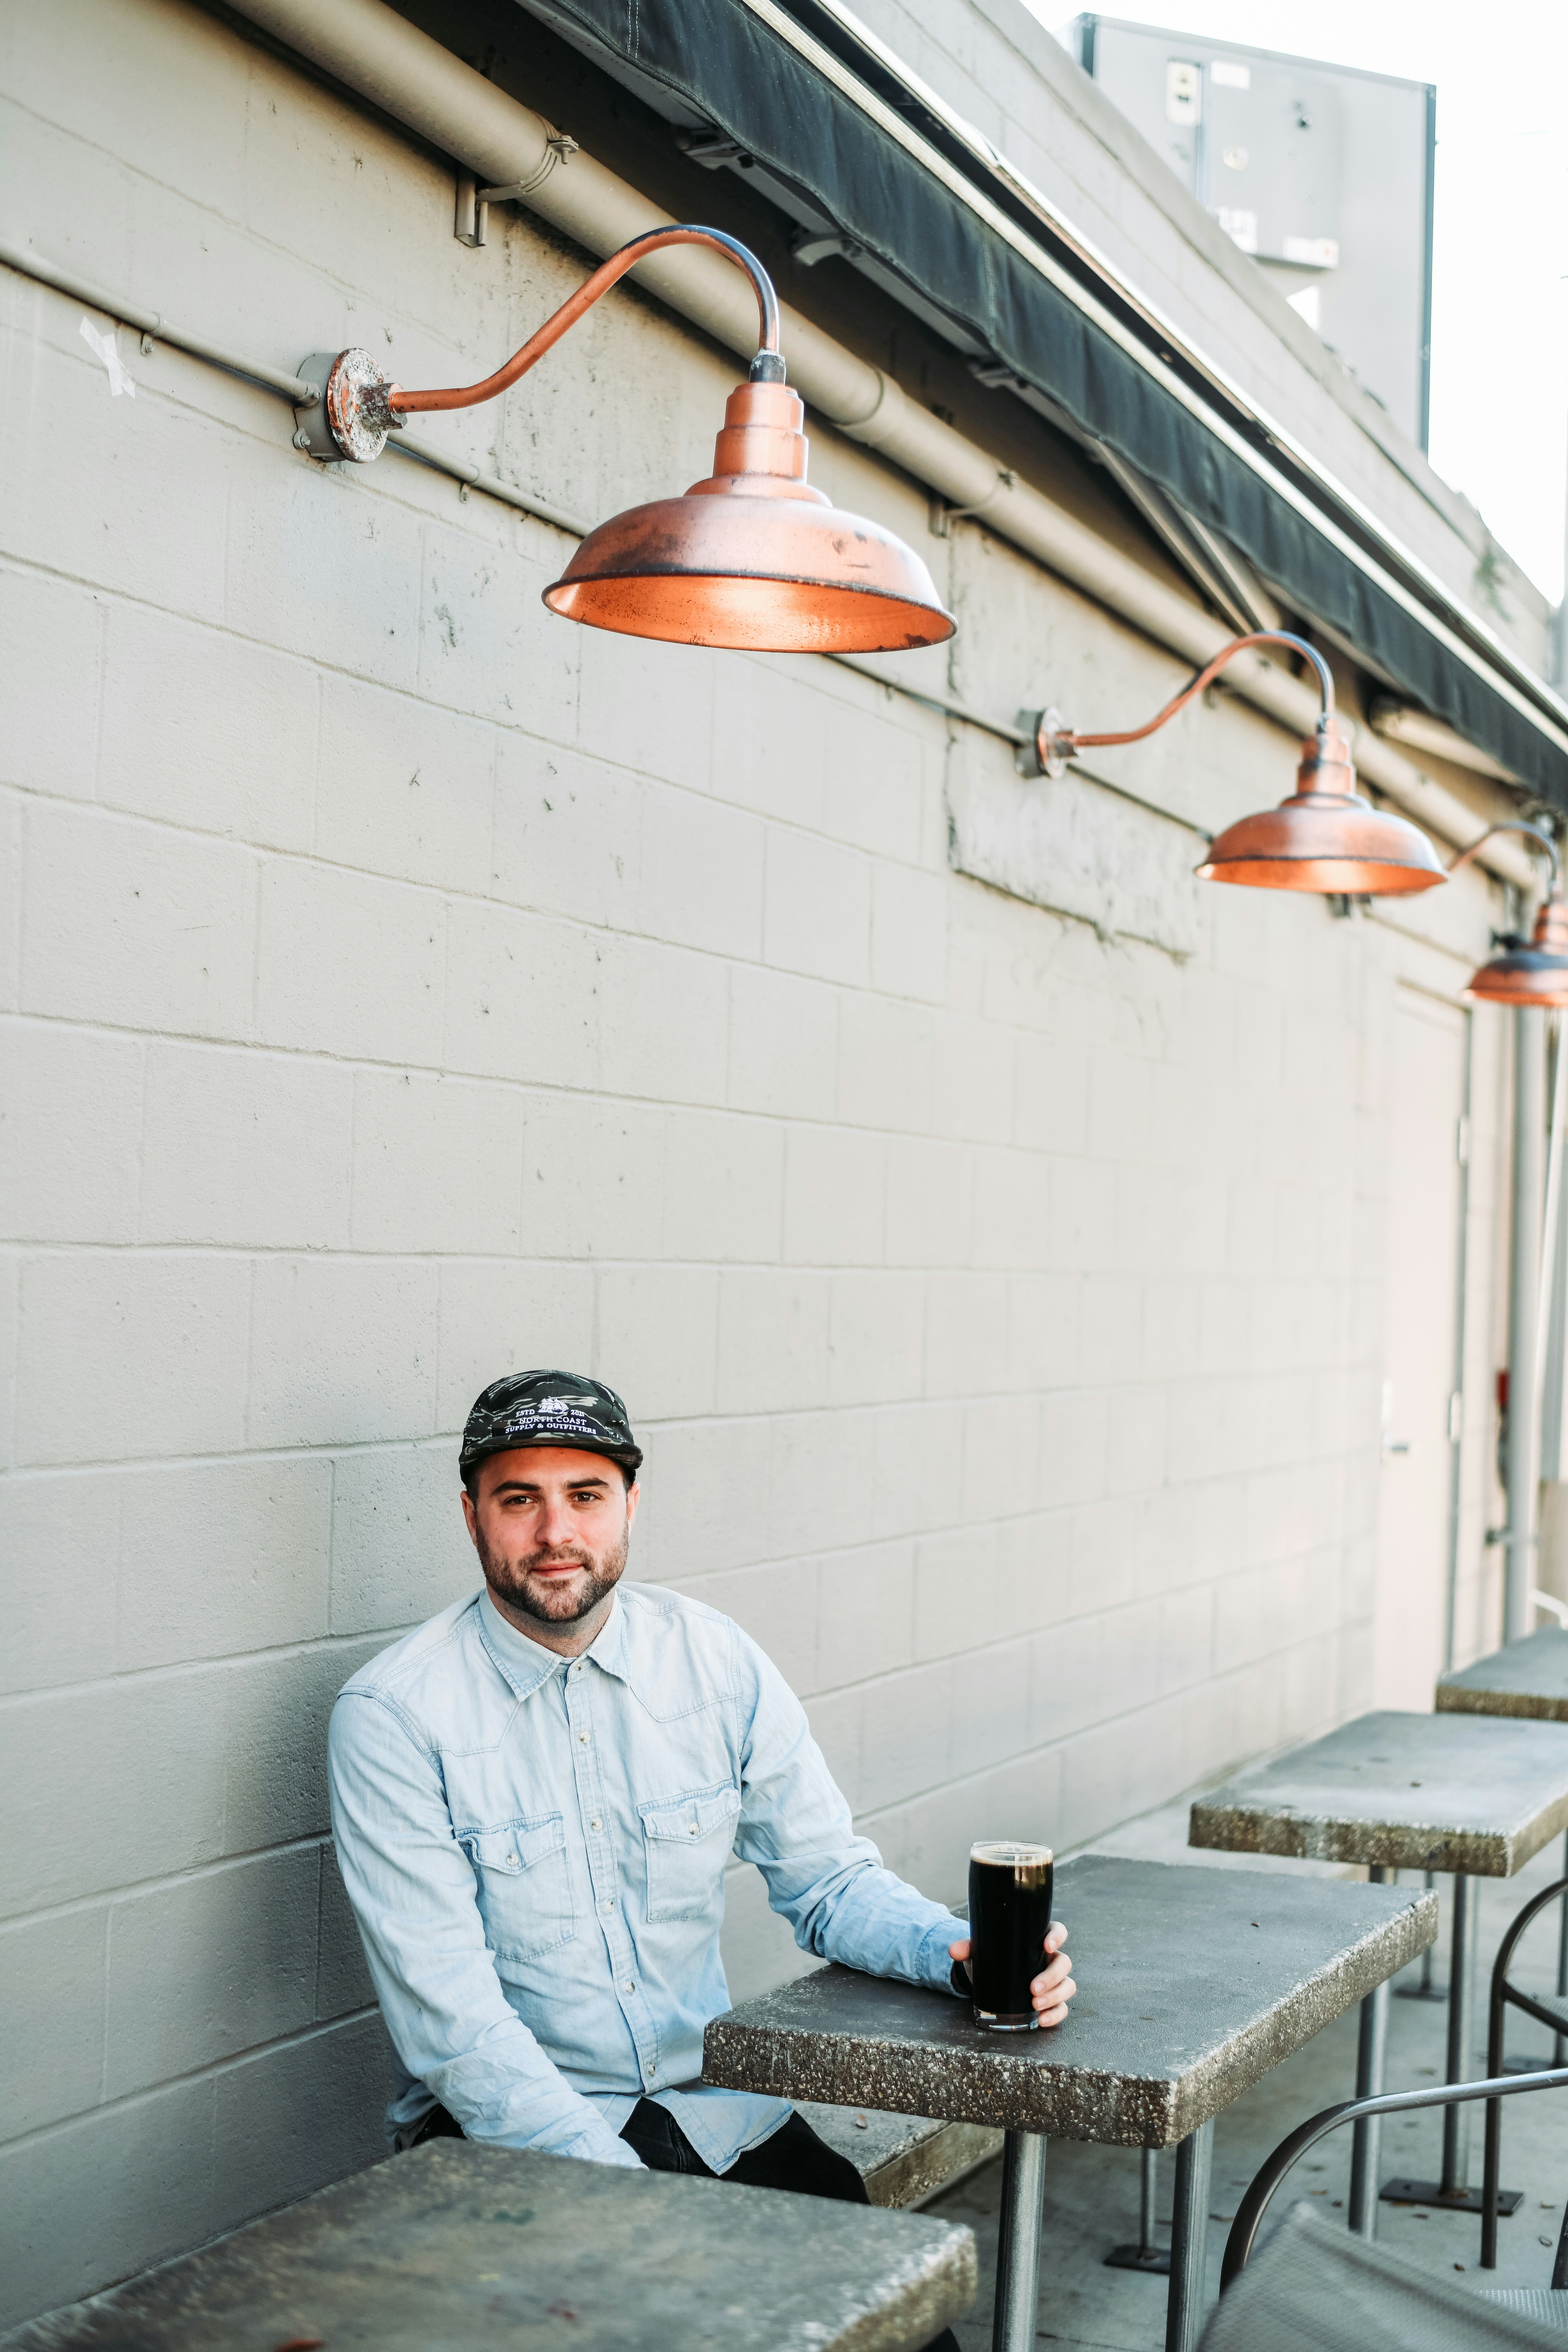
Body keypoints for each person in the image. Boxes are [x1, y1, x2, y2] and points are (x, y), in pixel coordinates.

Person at [329, 1370, 1075, 2321]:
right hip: (501, 2136)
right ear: (472, 1515)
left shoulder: (715, 1663)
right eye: (520, 1499)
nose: (557, 1532)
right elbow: (456, 2029)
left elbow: (828, 1883)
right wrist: (634, 2202)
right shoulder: (394, 1716)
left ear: (630, 1506)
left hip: (712, 2109)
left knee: (889, 2308)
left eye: (586, 1496)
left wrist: (958, 1957)